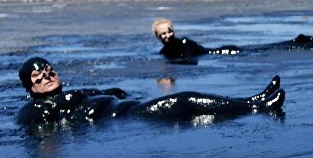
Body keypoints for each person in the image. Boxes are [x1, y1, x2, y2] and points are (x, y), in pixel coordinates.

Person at [15, 57, 284, 127]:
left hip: (131, 109)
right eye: (40, 77)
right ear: (30, 87)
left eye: (51, 71)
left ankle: (254, 99)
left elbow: (112, 91)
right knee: (187, 99)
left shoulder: (76, 93)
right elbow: (32, 122)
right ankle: (258, 107)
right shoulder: (34, 108)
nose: (48, 77)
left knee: (192, 105)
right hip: (131, 117)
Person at [152, 18, 313, 62]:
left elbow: (190, 60)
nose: (167, 36)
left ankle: (300, 42)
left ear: (173, 30)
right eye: (163, 34)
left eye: (169, 31)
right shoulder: (165, 52)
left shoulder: (184, 43)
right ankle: (298, 42)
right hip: (222, 52)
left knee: (265, 49)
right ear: (157, 37)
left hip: (225, 52)